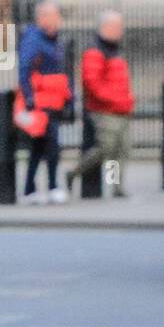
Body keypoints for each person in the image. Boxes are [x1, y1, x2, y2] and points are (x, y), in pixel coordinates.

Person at [68, 10, 134, 197]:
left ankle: (115, 186)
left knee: (121, 150)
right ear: (106, 27)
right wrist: (114, 100)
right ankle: (73, 172)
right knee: (105, 149)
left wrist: (126, 101)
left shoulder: (115, 49)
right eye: (118, 26)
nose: (121, 30)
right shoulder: (95, 51)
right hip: (105, 111)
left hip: (122, 109)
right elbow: (92, 83)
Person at [16, 1, 72, 204]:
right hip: (41, 103)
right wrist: (30, 96)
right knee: (51, 146)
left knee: (39, 148)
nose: (58, 20)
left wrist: (67, 98)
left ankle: (30, 189)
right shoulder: (34, 39)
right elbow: (24, 69)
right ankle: (53, 186)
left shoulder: (53, 40)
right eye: (54, 16)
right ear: (42, 18)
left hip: (53, 101)